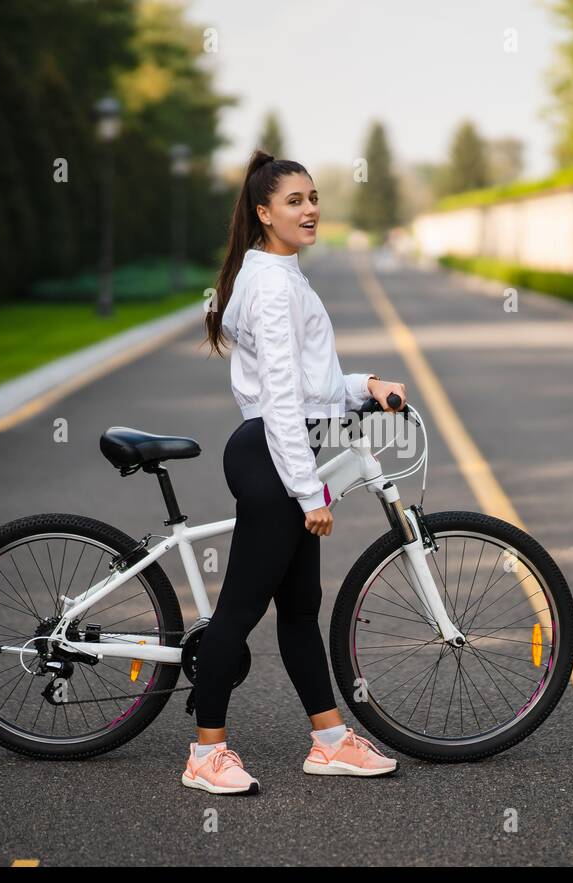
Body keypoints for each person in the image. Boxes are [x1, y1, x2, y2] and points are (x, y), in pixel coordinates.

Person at [184, 150, 405, 795]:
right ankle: (205, 754)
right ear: (263, 213)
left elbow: (310, 384)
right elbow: (282, 399)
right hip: (274, 456)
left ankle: (330, 741)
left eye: (312, 198)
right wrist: (309, 490)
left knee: (300, 610)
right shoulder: (275, 285)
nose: (309, 210)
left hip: (285, 448)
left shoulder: (278, 272)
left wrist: (366, 385)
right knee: (238, 612)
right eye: (293, 201)